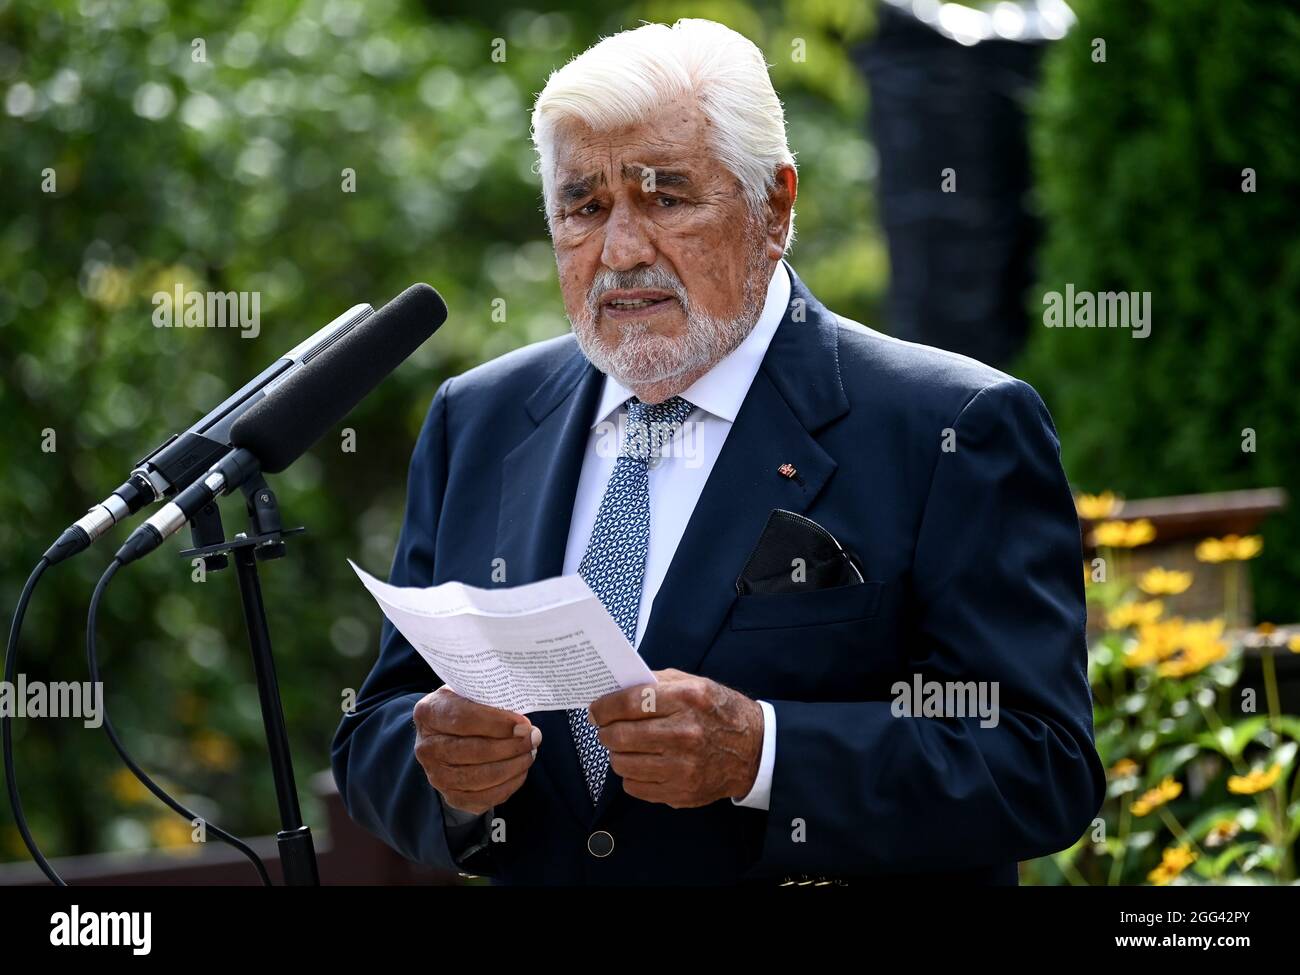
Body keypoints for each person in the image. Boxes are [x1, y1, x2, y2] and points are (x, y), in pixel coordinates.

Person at [331, 18, 1104, 885]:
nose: (621, 251)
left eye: (666, 199)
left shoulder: (950, 425)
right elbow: (380, 731)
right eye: (584, 207)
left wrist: (765, 755)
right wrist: (448, 770)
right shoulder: (480, 417)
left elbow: (1042, 765)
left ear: (775, 207)